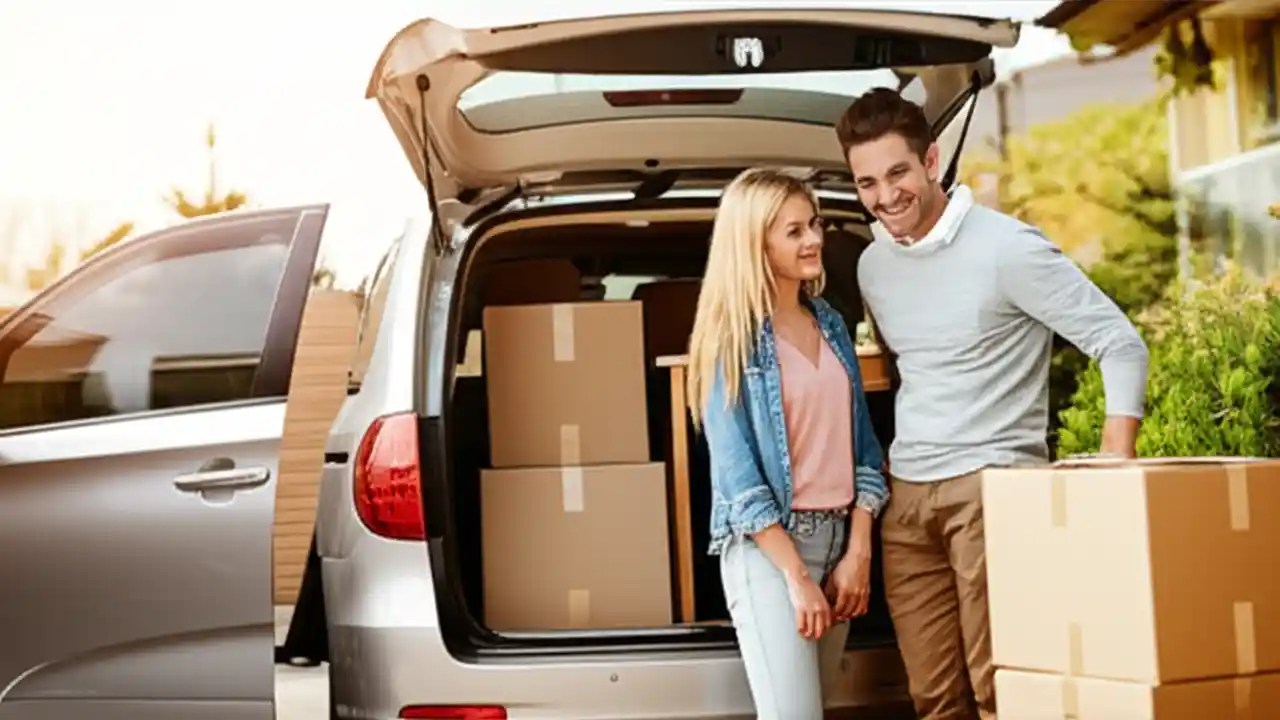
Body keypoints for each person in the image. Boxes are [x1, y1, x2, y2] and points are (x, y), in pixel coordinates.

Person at [835, 88, 1150, 719]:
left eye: (897, 172)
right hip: (907, 499)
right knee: (932, 697)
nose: (884, 195)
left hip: (992, 490)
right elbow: (911, 367)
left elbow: (1120, 344)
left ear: (931, 161)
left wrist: (1117, 467)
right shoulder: (873, 265)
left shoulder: (1009, 249)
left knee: (1000, 689)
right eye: (866, 182)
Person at [687, 168, 890, 719]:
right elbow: (739, 481)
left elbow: (866, 453)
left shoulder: (830, 324)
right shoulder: (730, 340)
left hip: (838, 542)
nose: (815, 240)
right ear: (756, 244)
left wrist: (858, 551)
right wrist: (797, 577)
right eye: (794, 231)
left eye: (814, 224)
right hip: (770, 554)